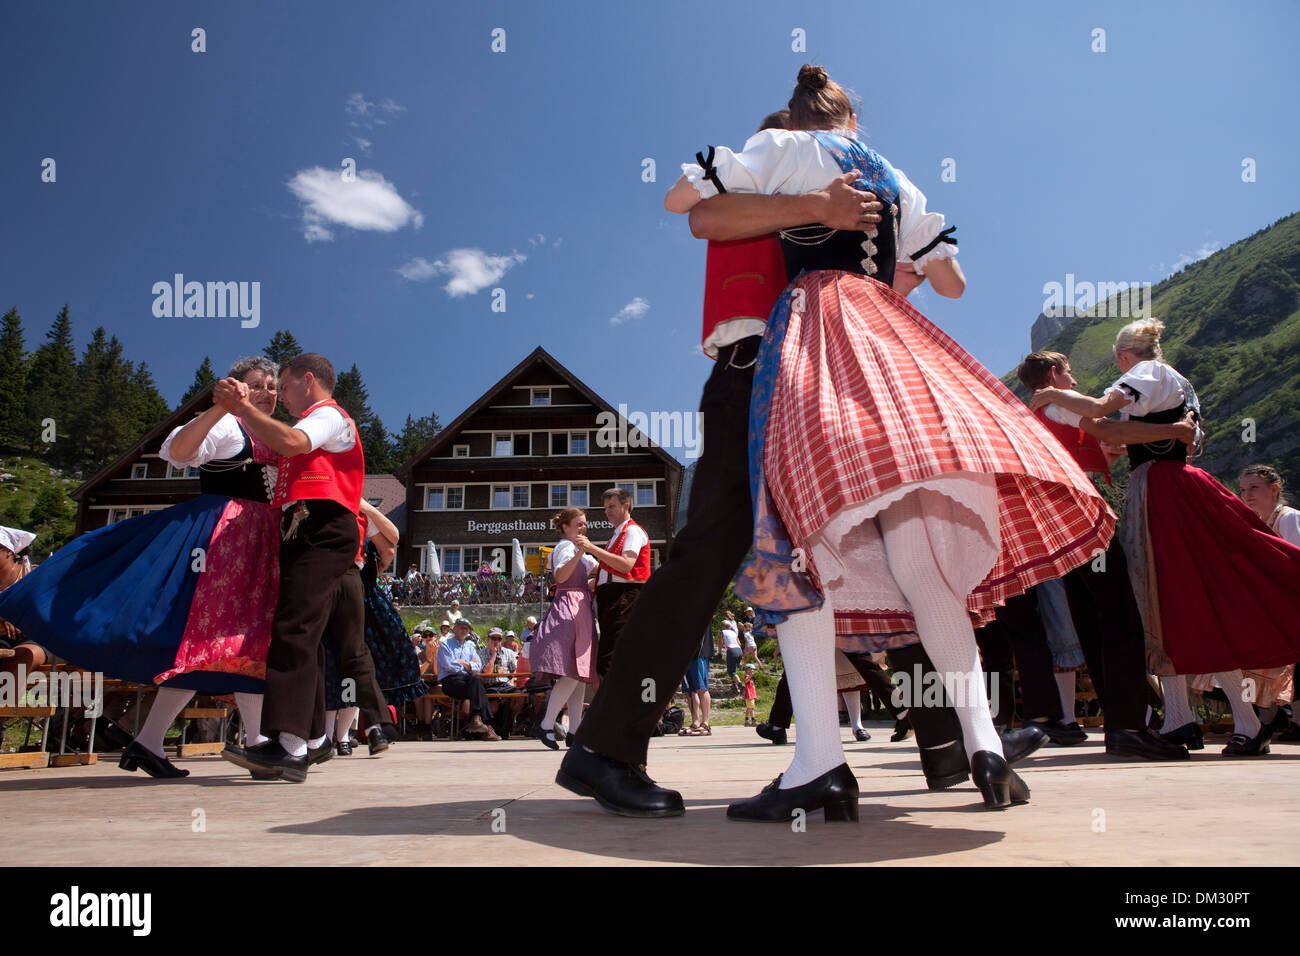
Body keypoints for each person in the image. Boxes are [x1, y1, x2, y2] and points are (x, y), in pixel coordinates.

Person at [665, 65, 1114, 819]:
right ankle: (985, 748)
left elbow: (692, 209)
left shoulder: (786, 147)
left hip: (815, 333)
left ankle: (819, 764)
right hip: (896, 342)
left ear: (798, 118)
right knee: (924, 567)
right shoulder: (896, 175)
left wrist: (787, 199)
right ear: (851, 116)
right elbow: (952, 284)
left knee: (796, 542)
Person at [556, 101, 887, 818]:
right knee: (723, 551)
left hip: (801, 369)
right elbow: (690, 208)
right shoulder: (757, 188)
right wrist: (816, 204)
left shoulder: (809, 196)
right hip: (760, 369)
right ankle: (606, 745)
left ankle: (949, 738)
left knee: (864, 528)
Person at [0, 357, 285, 780]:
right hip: (222, 543)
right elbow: (180, 452)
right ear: (235, 387)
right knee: (231, 638)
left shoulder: (274, 435)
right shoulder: (228, 426)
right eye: (256, 385)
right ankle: (256, 743)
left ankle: (150, 742)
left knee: (235, 642)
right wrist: (220, 408)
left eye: (272, 387)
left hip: (259, 541)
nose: (267, 392)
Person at [1030, 320, 1300, 757]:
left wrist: (1056, 396)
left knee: (1166, 602)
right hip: (1171, 485)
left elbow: (1102, 412)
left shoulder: (1147, 373)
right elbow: (1120, 435)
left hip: (1164, 491)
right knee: (1178, 605)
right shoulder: (1178, 383)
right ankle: (1187, 720)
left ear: (1122, 356)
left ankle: (1213, 721)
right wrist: (1158, 434)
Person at [1017, 349, 1196, 760]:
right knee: (1119, 615)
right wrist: (1178, 430)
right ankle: (1129, 726)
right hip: (1081, 506)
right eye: (1069, 373)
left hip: (1056, 516)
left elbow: (1100, 443)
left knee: (1093, 618)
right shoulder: (1058, 402)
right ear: (1051, 374)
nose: (1075, 382)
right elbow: (1113, 433)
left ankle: (1125, 722)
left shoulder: (1035, 412)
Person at [217, 352, 367, 782]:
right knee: (307, 632)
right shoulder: (316, 419)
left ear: (307, 380)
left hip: (320, 525)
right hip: (307, 526)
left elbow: (293, 443)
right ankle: (314, 740)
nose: (280, 397)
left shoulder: (328, 416)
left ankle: (289, 746)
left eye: (283, 386)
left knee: (293, 629)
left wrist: (242, 408)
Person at [530, 508, 599, 749]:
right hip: (568, 610)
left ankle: (575, 731)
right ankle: (547, 724)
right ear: (566, 527)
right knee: (573, 672)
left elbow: (596, 570)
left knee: (580, 674)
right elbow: (560, 576)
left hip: (580, 610)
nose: (583, 528)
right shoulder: (565, 547)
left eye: (584, 524)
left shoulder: (580, 552)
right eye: (579, 524)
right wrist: (582, 549)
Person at [582, 488, 650, 680]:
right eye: (605, 507)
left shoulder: (633, 531)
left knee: (609, 657)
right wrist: (597, 581)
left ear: (625, 506)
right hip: (613, 596)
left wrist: (591, 548)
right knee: (611, 654)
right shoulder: (616, 535)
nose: (607, 511)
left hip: (624, 596)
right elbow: (613, 568)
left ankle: (612, 706)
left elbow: (626, 564)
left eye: (611, 506)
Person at [435, 619, 500, 740]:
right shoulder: (445, 644)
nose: (464, 630)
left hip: (468, 681)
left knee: (476, 683)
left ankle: (477, 719)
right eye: (461, 627)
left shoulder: (470, 647)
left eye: (466, 628)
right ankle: (487, 726)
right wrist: (469, 665)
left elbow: (478, 666)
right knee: (478, 686)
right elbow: (450, 666)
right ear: (454, 629)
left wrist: (462, 663)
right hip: (451, 682)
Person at [680, 624, 714, 735]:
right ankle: (695, 722)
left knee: (701, 688)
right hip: (685, 654)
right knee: (689, 690)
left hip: (699, 653)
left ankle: (705, 723)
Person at [719, 612, 743, 690]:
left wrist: (719, 652)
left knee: (731, 672)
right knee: (733, 669)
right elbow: (739, 643)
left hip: (731, 651)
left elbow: (720, 643)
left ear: (723, 627)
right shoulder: (733, 632)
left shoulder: (722, 632)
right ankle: (733, 684)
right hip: (739, 651)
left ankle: (740, 684)